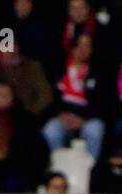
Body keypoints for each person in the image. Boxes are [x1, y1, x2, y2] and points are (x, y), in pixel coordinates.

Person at [42, 32, 107, 160]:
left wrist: (82, 118)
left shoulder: (99, 71)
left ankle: (90, 172)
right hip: (62, 116)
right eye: (79, 46)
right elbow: (50, 97)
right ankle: (57, 172)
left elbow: (103, 102)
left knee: (95, 130)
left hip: (87, 118)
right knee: (50, 130)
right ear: (72, 48)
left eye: (87, 46)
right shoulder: (59, 69)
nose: (83, 50)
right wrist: (60, 114)